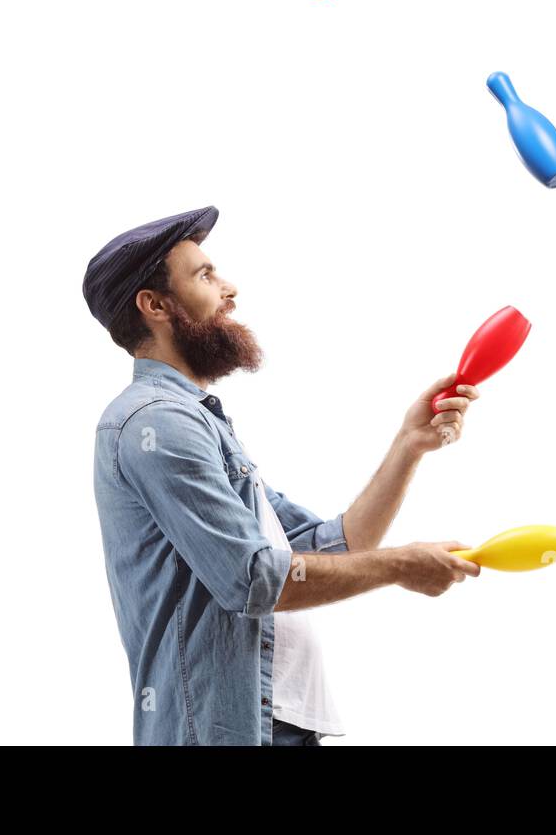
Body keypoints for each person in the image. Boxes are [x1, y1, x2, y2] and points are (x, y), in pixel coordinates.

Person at [84, 205, 482, 746]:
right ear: (155, 305)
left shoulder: (198, 423)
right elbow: (252, 579)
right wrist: (401, 566)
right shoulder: (156, 421)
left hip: (277, 724)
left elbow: (335, 547)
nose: (229, 289)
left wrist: (409, 445)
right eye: (205, 275)